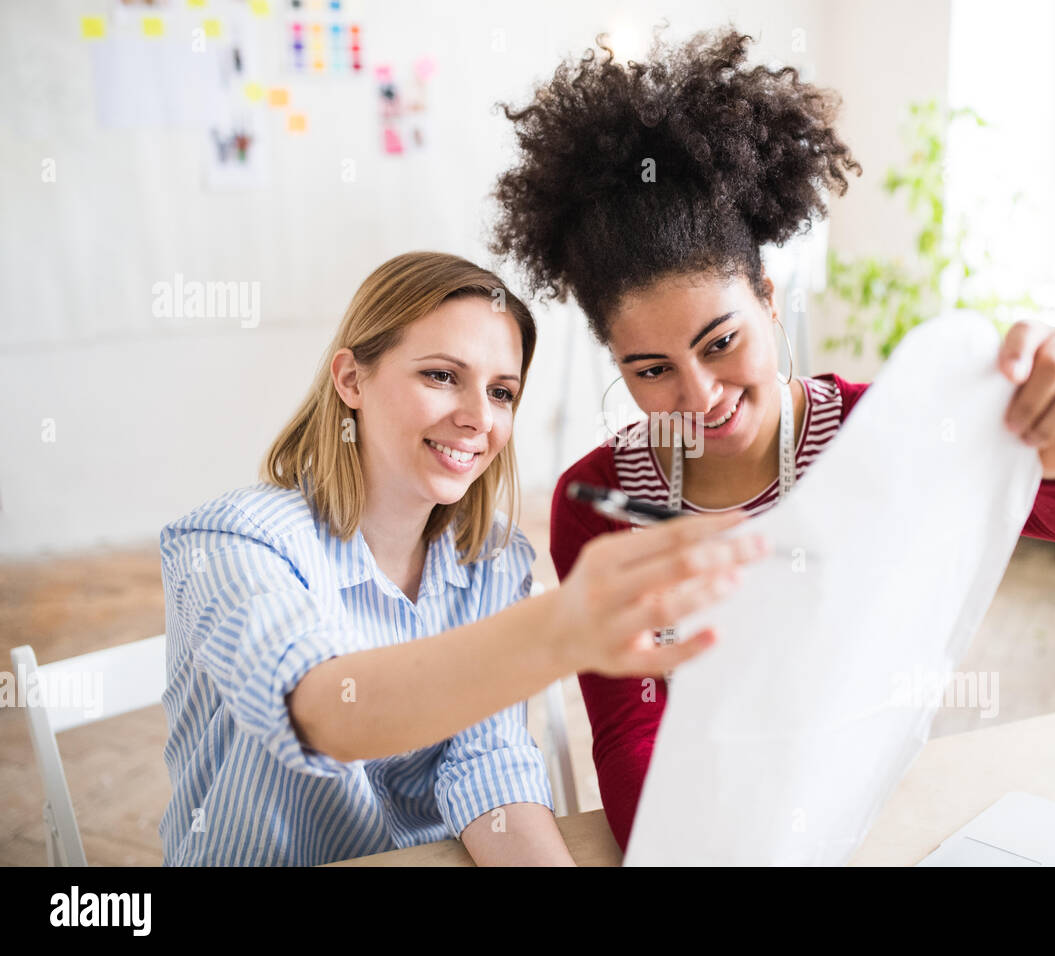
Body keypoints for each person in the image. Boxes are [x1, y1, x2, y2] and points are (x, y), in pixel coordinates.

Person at [491, 28, 1055, 851]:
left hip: (870, 801)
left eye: (721, 342)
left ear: (768, 297)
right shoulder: (598, 502)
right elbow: (630, 734)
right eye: (651, 370)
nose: (701, 398)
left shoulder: (882, 430)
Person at [158, 251, 768, 865]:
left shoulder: (492, 560)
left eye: (501, 392)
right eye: (442, 376)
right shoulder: (233, 543)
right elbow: (322, 713)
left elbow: (488, 768)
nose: (478, 418)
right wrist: (554, 631)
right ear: (351, 381)